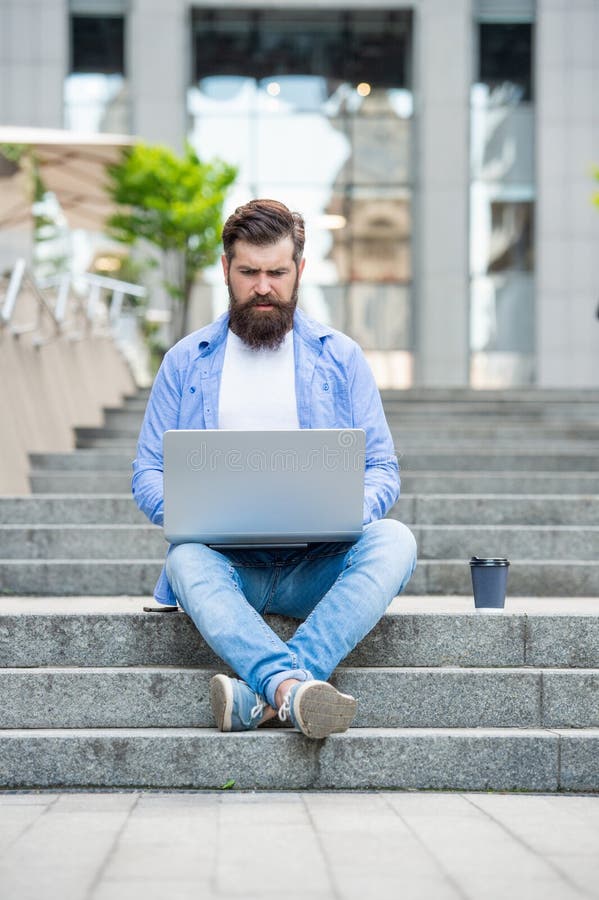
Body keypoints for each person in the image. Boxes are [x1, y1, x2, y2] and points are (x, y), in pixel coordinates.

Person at [132, 198, 417, 740]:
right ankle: (292, 690)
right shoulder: (185, 361)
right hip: (226, 568)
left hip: (318, 563)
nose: (263, 287)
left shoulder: (342, 358)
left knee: (394, 540)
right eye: (249, 273)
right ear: (226, 270)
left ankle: (264, 694)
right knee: (185, 556)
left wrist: (347, 511)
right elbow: (147, 470)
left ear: (300, 272)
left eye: (277, 273)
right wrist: (191, 510)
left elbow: (381, 466)